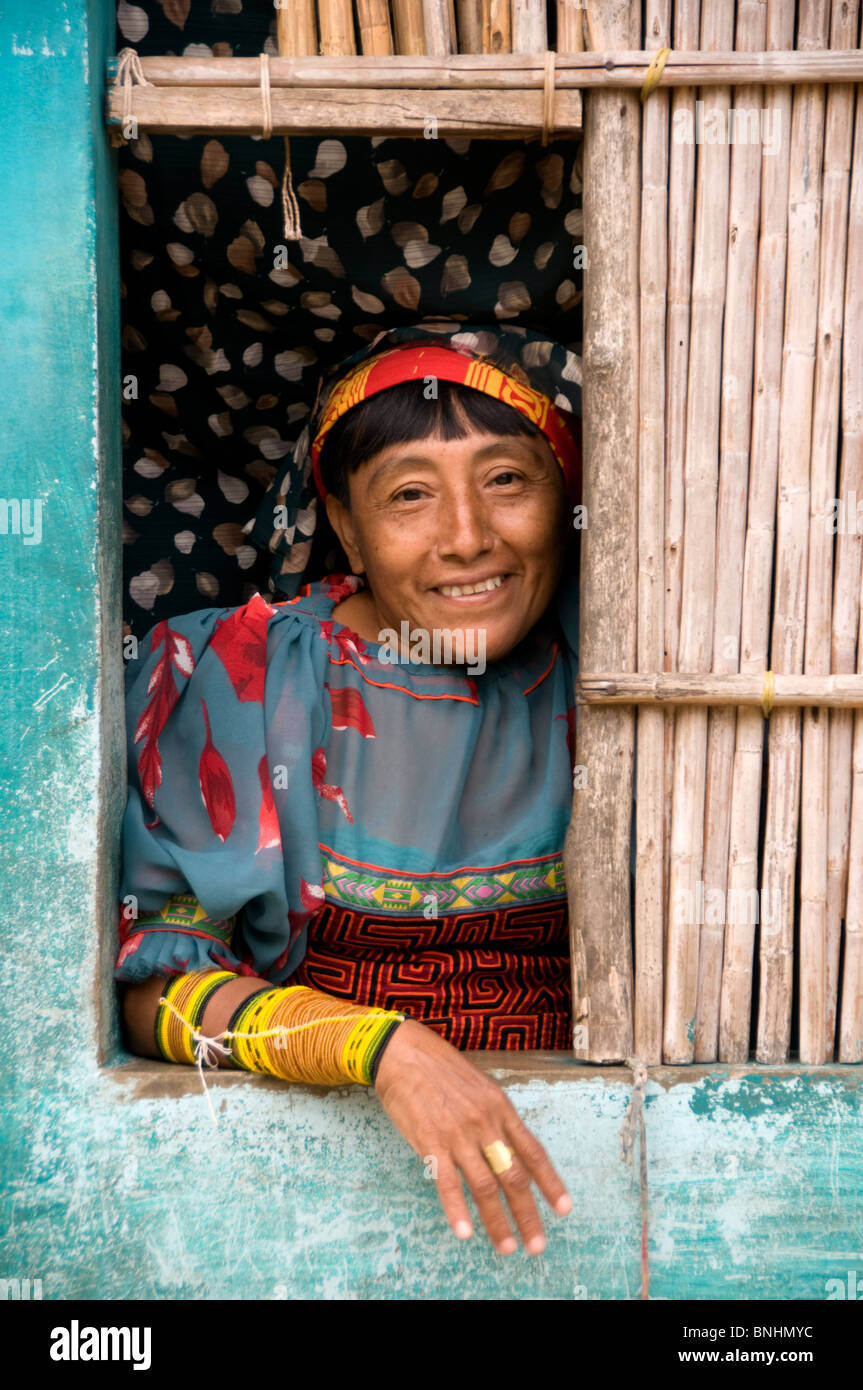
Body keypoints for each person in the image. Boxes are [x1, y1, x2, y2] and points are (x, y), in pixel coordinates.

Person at [118, 320, 582, 1258]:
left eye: (505, 480)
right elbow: (152, 994)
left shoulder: (631, 675)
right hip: (311, 1226)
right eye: (409, 494)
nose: (467, 538)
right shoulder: (242, 678)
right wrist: (383, 1052)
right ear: (343, 525)